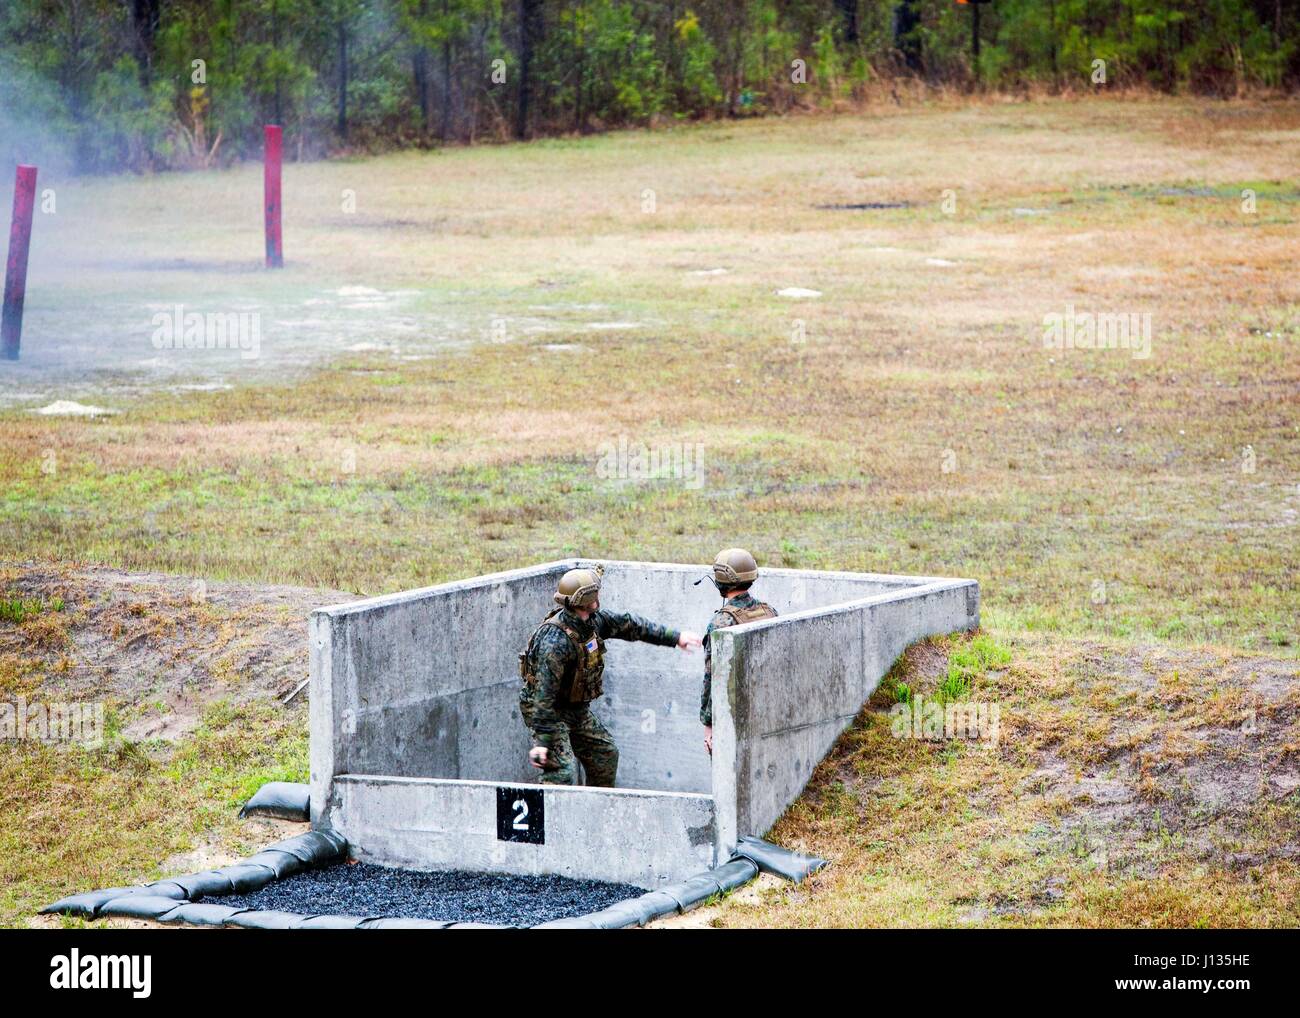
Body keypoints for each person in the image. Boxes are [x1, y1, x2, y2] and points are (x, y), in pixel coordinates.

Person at [519, 566, 702, 786]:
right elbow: (543, 697)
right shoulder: (555, 642)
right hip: (549, 711)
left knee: (604, 753)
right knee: (561, 773)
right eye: (593, 594)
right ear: (584, 600)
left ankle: (595, 807)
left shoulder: (593, 622)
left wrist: (676, 637)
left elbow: (631, 626)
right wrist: (543, 742)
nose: (598, 598)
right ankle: (553, 817)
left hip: (574, 707)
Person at [700, 548, 777, 754]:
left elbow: (712, 678)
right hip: (770, 711)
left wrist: (709, 725)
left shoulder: (721, 623)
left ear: (722, 580)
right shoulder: (770, 612)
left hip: (735, 717)